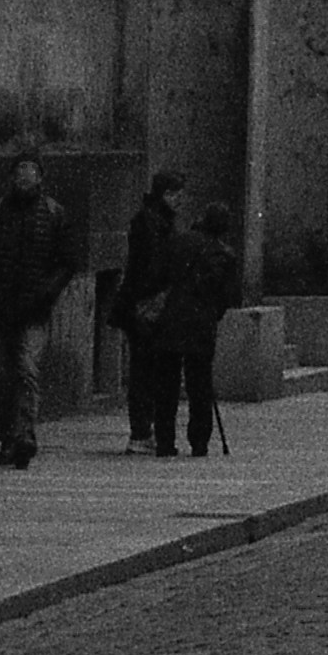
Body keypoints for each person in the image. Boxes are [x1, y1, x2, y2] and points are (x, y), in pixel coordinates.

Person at [0, 150, 76, 469]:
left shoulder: (54, 213)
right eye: (20, 173)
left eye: (31, 174)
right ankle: (8, 438)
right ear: (12, 178)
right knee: (1, 374)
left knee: (26, 368)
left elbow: (66, 261)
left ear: (40, 178)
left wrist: (47, 292)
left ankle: (24, 434)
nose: (25, 179)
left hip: (34, 308)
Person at [152, 197, 241, 458]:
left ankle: (164, 441)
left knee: (166, 385)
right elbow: (228, 296)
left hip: (170, 320)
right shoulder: (225, 255)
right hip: (201, 323)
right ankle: (199, 441)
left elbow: (159, 276)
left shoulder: (178, 243)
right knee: (200, 385)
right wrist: (213, 314)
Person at [113, 170, 184, 453]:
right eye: (174, 194)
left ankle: (144, 429)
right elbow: (151, 267)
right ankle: (141, 431)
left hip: (146, 302)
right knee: (145, 370)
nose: (178, 200)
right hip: (146, 304)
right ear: (163, 194)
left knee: (146, 369)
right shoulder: (151, 222)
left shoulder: (156, 220)